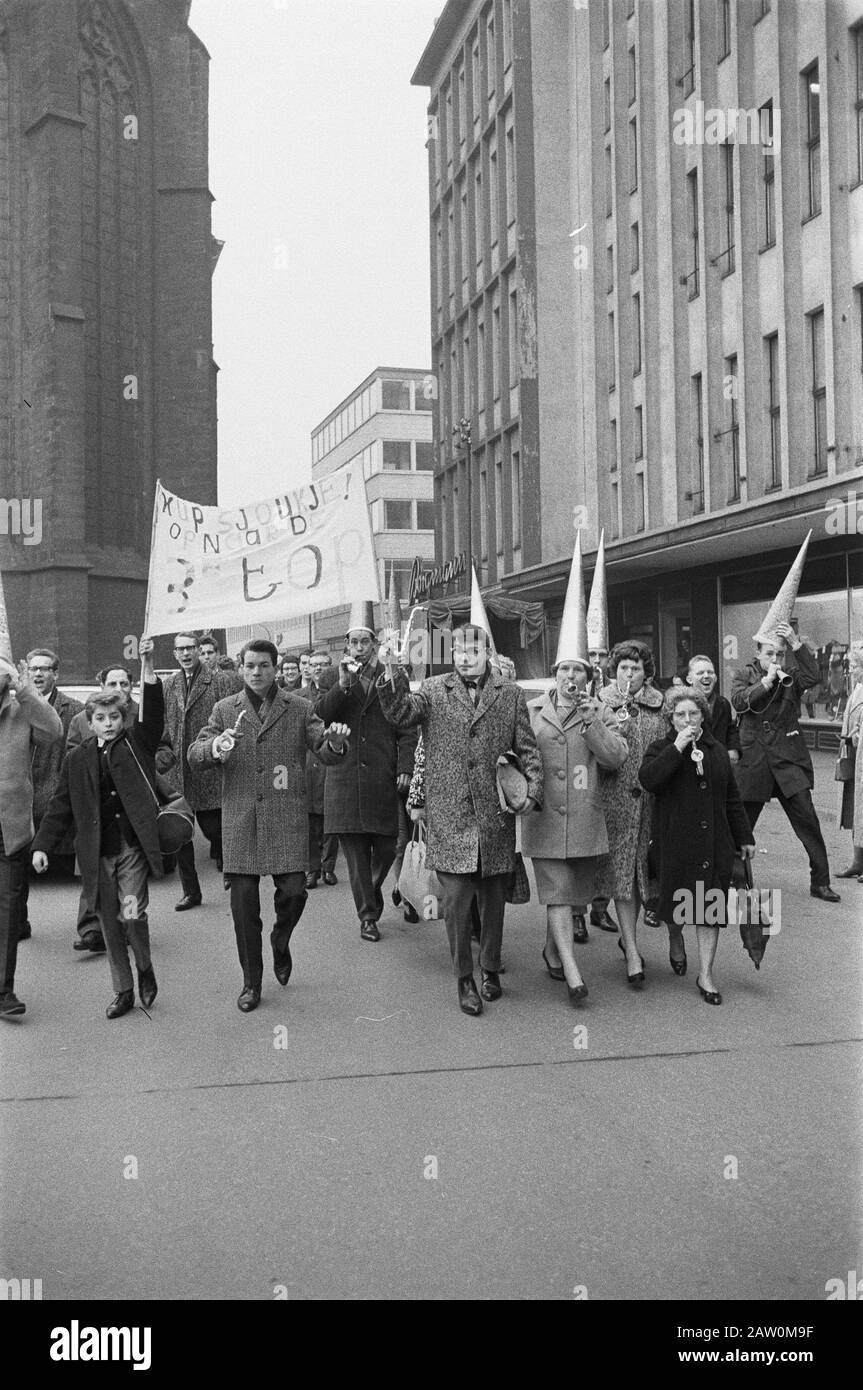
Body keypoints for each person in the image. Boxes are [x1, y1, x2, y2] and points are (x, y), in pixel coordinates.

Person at [378, 624, 543, 1016]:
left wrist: (532, 791)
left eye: (473, 650)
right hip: (450, 813)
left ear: (488, 652)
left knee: (492, 902)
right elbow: (400, 712)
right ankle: (464, 978)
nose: (465, 657)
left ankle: (490, 967)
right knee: (456, 901)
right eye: (458, 651)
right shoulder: (434, 690)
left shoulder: (510, 695)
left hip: (495, 816)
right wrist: (390, 672)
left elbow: (528, 749)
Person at [188, 639, 350, 1013]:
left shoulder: (300, 708)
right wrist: (216, 748)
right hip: (241, 820)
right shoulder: (225, 710)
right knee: (244, 909)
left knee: (295, 893)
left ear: (276, 669)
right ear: (242, 669)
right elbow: (196, 754)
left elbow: (322, 749)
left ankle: (280, 938)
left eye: (264, 665)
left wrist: (336, 744)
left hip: (285, 817)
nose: (257, 672)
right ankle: (251, 982)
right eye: (250, 666)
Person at [32, 639, 165, 1020]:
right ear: (89, 723)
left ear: (123, 720)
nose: (108, 725)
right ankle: (123, 990)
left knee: (132, 915)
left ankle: (144, 966)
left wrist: (148, 664)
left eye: (114, 718)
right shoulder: (77, 758)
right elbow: (61, 805)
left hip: (130, 850)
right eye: (101, 719)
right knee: (109, 924)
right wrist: (43, 845)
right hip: (96, 854)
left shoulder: (136, 745)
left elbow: (152, 717)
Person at [638, 686, 754, 1005]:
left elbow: (731, 797)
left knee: (708, 911)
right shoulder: (660, 748)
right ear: (670, 718)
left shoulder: (716, 750)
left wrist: (744, 837)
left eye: (694, 713)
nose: (688, 720)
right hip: (675, 843)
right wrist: (676, 748)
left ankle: (706, 975)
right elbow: (649, 780)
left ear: (703, 716)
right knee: (678, 907)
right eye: (680, 714)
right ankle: (676, 939)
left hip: (714, 844)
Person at [522, 656, 627, 1005]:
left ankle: (552, 952)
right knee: (557, 892)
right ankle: (572, 971)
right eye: (564, 669)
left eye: (578, 670)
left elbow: (615, 758)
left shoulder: (601, 710)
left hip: (585, 816)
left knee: (571, 895)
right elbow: (516, 754)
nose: (570, 676)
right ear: (555, 674)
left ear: (588, 676)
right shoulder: (531, 710)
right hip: (544, 816)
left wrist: (591, 722)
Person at [314, 608, 416, 943]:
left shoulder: (393, 675)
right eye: (353, 641)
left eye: (364, 641)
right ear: (345, 645)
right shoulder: (332, 676)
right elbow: (319, 716)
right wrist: (343, 684)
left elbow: (406, 726)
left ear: (374, 643)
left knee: (388, 847)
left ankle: (371, 893)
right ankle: (368, 916)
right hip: (344, 776)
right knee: (356, 854)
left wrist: (404, 767)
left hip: (381, 775)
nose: (359, 647)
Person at [66, 662, 175, 953]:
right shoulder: (81, 721)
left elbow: (157, 734)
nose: (108, 722)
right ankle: (93, 929)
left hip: (130, 829)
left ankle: (129, 930)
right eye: (111, 684)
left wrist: (150, 666)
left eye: (124, 684)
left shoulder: (135, 727)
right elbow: (70, 775)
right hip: (96, 825)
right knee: (94, 882)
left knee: (130, 900)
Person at [731, 619, 840, 903]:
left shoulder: (791, 674)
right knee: (742, 824)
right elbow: (740, 702)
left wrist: (796, 643)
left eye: (779, 654)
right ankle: (736, 879)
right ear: (758, 654)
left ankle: (820, 882)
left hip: (787, 759)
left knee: (808, 821)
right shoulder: (743, 675)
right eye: (769, 654)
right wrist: (766, 682)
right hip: (754, 760)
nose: (775, 659)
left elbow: (814, 676)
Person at [596, 641, 666, 987]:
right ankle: (633, 952)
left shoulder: (661, 705)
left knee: (642, 877)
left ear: (646, 672)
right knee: (621, 874)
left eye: (635, 668)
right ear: (615, 670)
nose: (629, 673)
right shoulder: (602, 702)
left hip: (651, 804)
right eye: (623, 667)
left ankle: (629, 938)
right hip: (614, 803)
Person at [0, 652, 64, 1018]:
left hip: (9, 829)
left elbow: (53, 732)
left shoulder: (19, 708)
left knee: (8, 912)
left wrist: (23, 688)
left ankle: (3, 991)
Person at [162, 632, 242, 910]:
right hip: (179, 770)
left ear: (199, 650)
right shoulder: (169, 683)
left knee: (215, 829)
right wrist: (164, 752)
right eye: (180, 649)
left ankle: (234, 865)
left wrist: (223, 749)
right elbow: (164, 725)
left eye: (190, 648)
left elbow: (234, 718)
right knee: (181, 834)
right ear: (174, 653)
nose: (185, 654)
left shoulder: (221, 681)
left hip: (210, 766)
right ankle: (191, 892)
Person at [19, 648, 83, 941]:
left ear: (56, 675)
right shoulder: (14, 707)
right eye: (33, 669)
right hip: (22, 797)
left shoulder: (74, 709)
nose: (38, 674)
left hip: (55, 790)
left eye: (45, 669)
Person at [298, 652, 339, 888]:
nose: (319, 669)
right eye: (314, 665)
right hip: (307, 762)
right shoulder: (298, 697)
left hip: (331, 761)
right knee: (308, 820)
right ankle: (311, 869)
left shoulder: (339, 693)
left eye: (324, 664)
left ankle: (328, 867)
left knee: (330, 817)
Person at [837, 641, 863, 881]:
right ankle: (857, 862)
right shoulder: (856, 688)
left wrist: (856, 735)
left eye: (854, 665)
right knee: (856, 810)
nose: (850, 670)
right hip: (853, 756)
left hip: (860, 753)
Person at [686, 655, 741, 764]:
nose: (706, 676)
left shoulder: (723, 703)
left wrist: (734, 749)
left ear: (715, 678)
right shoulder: (682, 705)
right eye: (700, 673)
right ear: (689, 679)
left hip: (718, 765)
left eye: (710, 672)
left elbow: (730, 729)